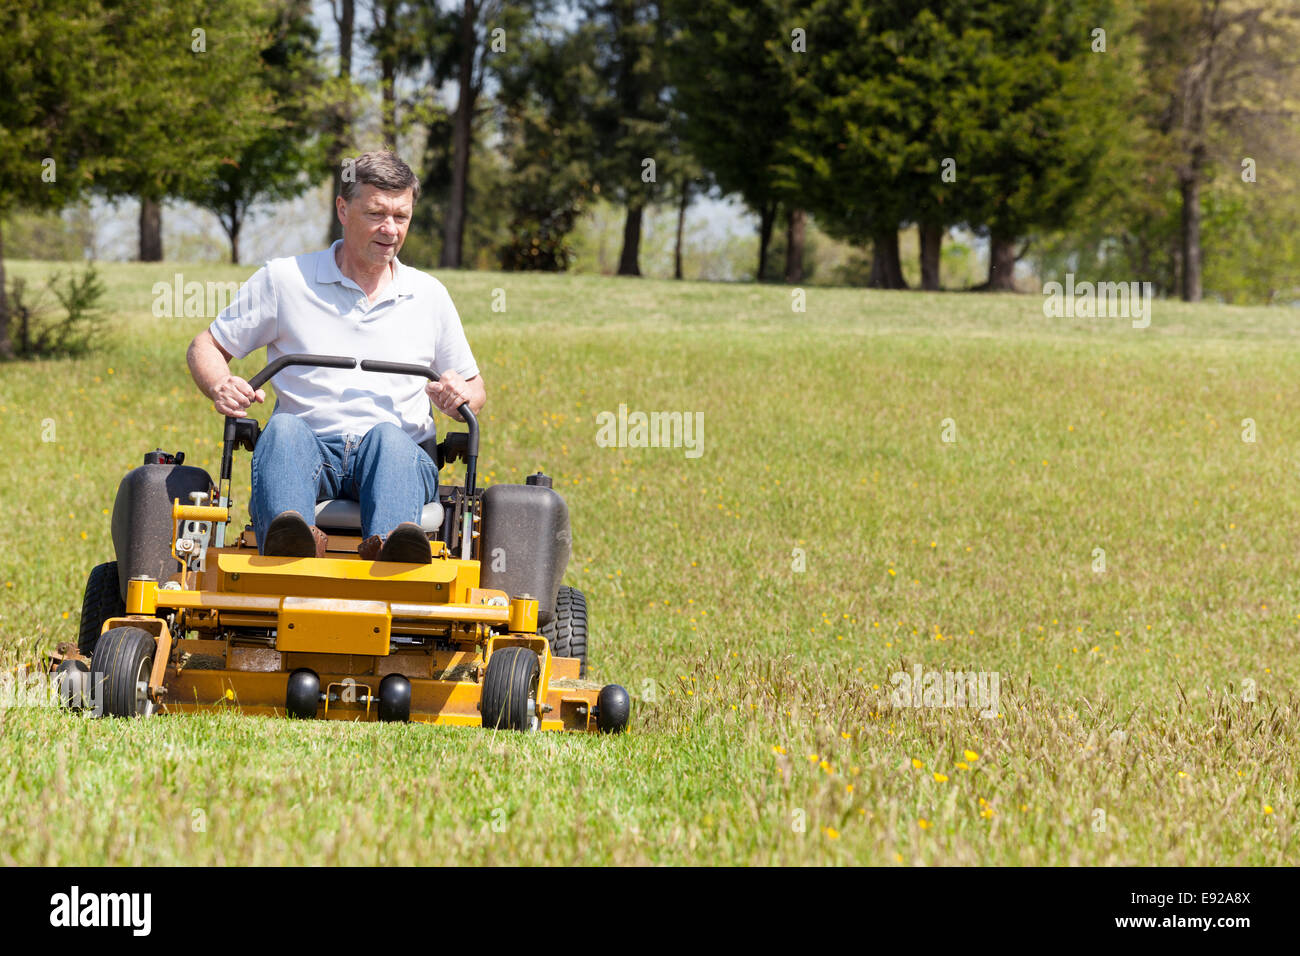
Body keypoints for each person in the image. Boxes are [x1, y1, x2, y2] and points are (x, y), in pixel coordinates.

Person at [185, 150, 486, 564]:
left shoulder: (429, 295)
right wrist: (221, 384)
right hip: (308, 451)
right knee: (285, 429)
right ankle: (290, 541)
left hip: (396, 456)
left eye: (401, 217)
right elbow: (206, 347)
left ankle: (392, 550)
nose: (390, 229)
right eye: (377, 213)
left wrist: (459, 396)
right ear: (343, 209)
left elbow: (474, 389)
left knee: (389, 438)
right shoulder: (285, 279)